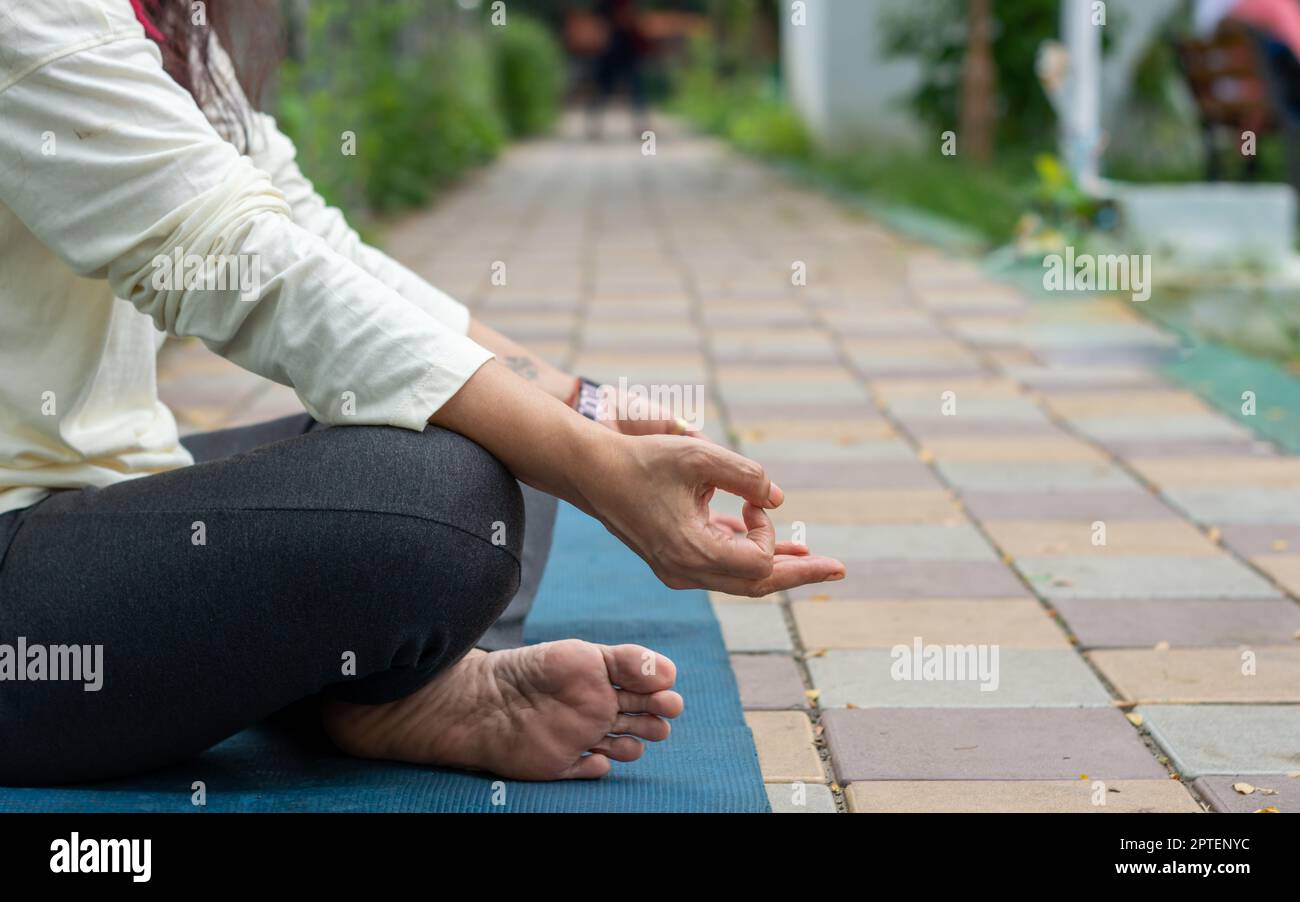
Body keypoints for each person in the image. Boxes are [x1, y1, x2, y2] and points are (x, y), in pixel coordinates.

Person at [0, 0, 844, 786]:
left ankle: (383, 685)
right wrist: (597, 470)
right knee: (439, 497)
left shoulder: (157, 18)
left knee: (502, 436)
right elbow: (229, 253)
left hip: (97, 499)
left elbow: (311, 239)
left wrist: (585, 411)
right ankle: (394, 680)